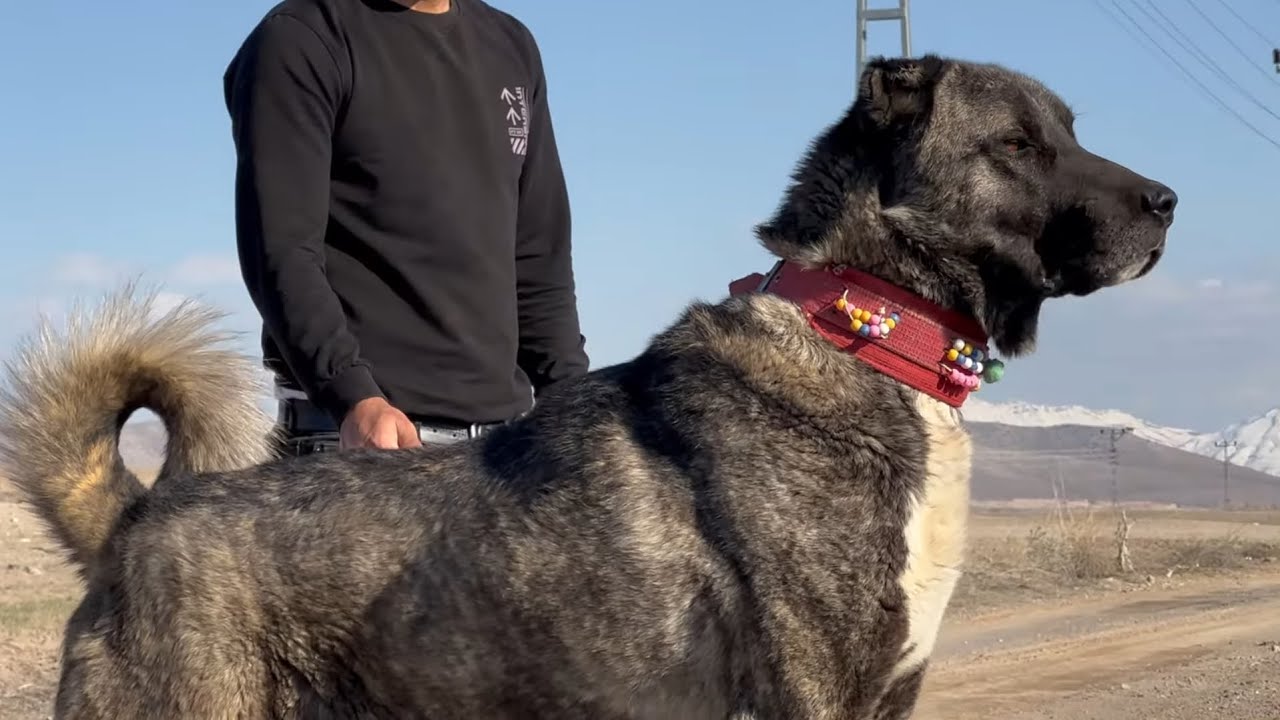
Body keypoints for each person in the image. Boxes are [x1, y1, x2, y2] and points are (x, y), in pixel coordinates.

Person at [222, 0, 589, 454]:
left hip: (499, 459)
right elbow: (281, 252)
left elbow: (539, 257)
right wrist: (353, 395)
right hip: (354, 451)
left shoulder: (512, 46)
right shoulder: (301, 37)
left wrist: (573, 405)